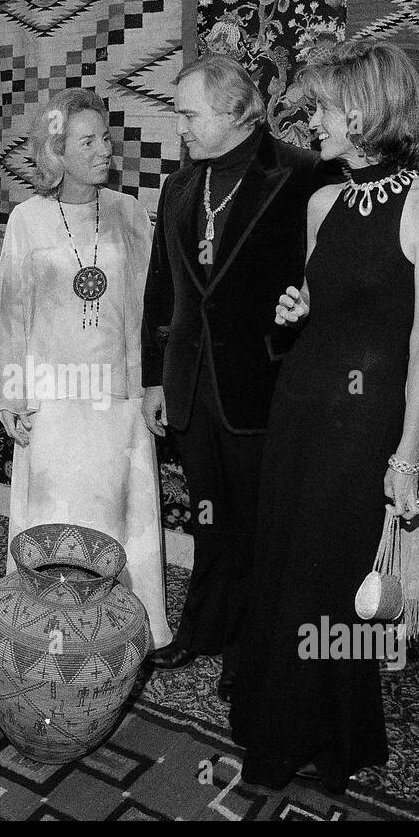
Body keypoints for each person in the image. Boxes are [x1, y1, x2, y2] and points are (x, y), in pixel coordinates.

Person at [229, 39, 419, 792]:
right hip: (301, 405)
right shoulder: (321, 201)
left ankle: (324, 738)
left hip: (363, 429)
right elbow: (322, 304)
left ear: (361, 112)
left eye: (322, 108)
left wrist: (408, 456)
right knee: (286, 562)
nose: (311, 121)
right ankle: (286, 726)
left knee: (331, 579)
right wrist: (297, 307)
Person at [140, 54, 329, 697]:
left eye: (188, 113)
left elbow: (332, 279)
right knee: (209, 518)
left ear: (233, 111)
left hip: (263, 388)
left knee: (257, 527)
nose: (180, 127)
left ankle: (251, 652)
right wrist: (151, 380)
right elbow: (161, 288)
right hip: (190, 386)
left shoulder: (303, 175)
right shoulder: (180, 186)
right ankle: (204, 629)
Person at [0, 88, 172, 648]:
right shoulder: (27, 221)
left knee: (118, 517)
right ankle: (42, 630)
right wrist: (11, 397)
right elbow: (9, 316)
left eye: (105, 137)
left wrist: (153, 384)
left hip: (116, 402)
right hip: (54, 402)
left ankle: (129, 630)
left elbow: (153, 313)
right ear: (55, 154)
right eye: (88, 141)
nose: (105, 149)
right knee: (55, 518)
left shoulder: (131, 215)